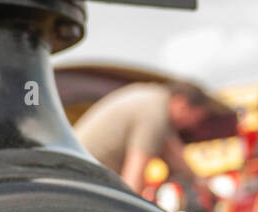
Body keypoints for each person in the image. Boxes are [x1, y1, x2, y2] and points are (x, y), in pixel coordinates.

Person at [74, 81, 214, 194]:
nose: (192, 126)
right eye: (195, 118)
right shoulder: (155, 114)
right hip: (84, 175)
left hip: (80, 168)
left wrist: (200, 182)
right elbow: (134, 176)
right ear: (182, 104)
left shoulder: (154, 98)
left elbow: (174, 153)